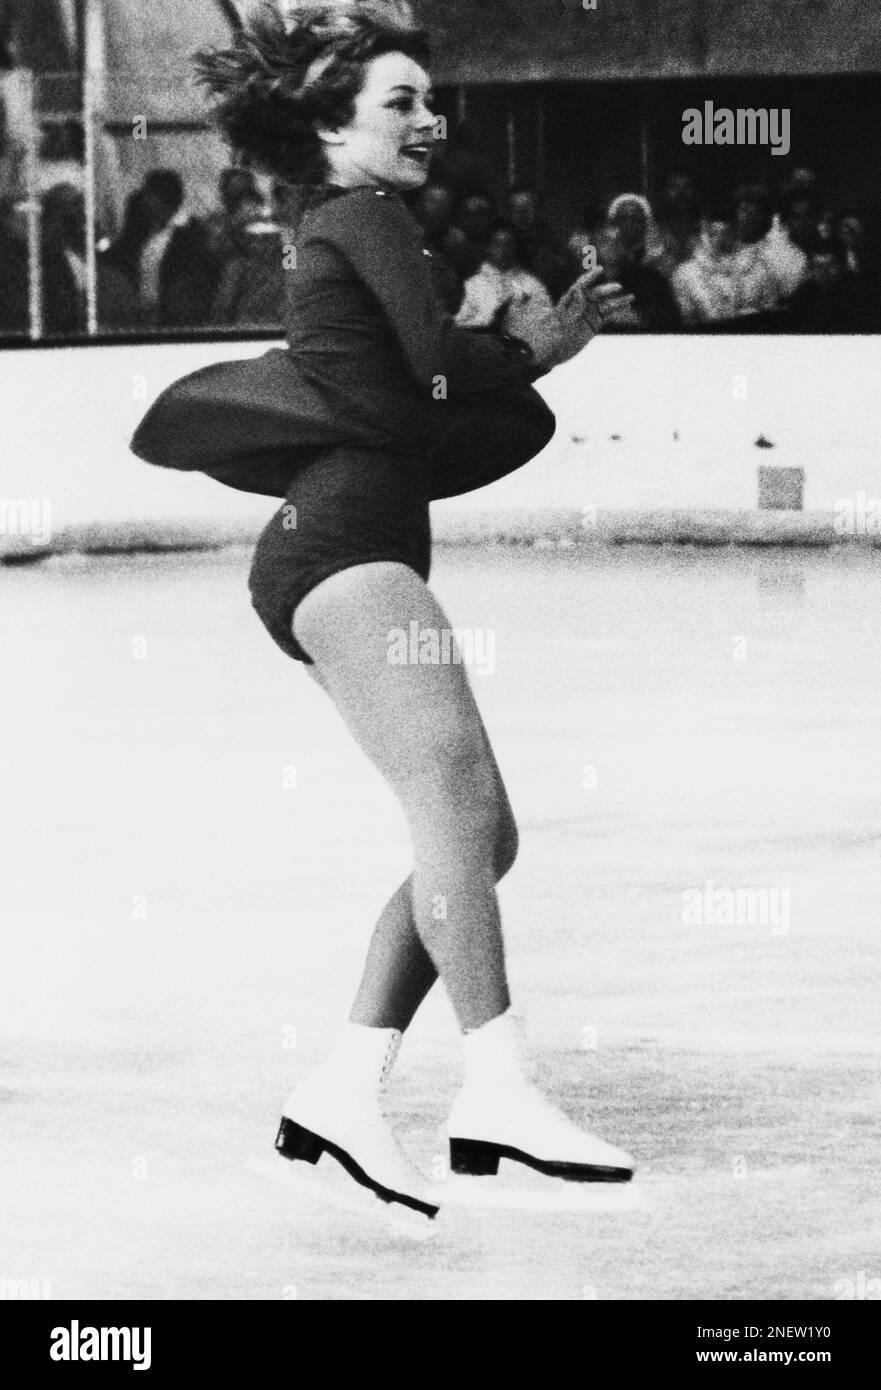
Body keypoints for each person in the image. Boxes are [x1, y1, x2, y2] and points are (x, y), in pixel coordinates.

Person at [130, 0, 635, 1226]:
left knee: (476, 833)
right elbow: (436, 369)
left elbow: (418, 384)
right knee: (456, 801)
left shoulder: (335, 220)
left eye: (426, 97)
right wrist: (531, 349)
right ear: (328, 127)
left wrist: (527, 352)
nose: (429, 117)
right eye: (398, 101)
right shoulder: (364, 214)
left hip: (340, 544)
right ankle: (498, 1084)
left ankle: (342, 1089)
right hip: (347, 548)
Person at [455, 217, 554, 341]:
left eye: (508, 244)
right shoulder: (472, 285)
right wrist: (489, 321)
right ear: (489, 247)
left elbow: (547, 323)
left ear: (516, 248)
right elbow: (459, 326)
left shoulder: (532, 284)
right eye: (498, 244)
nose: (503, 250)